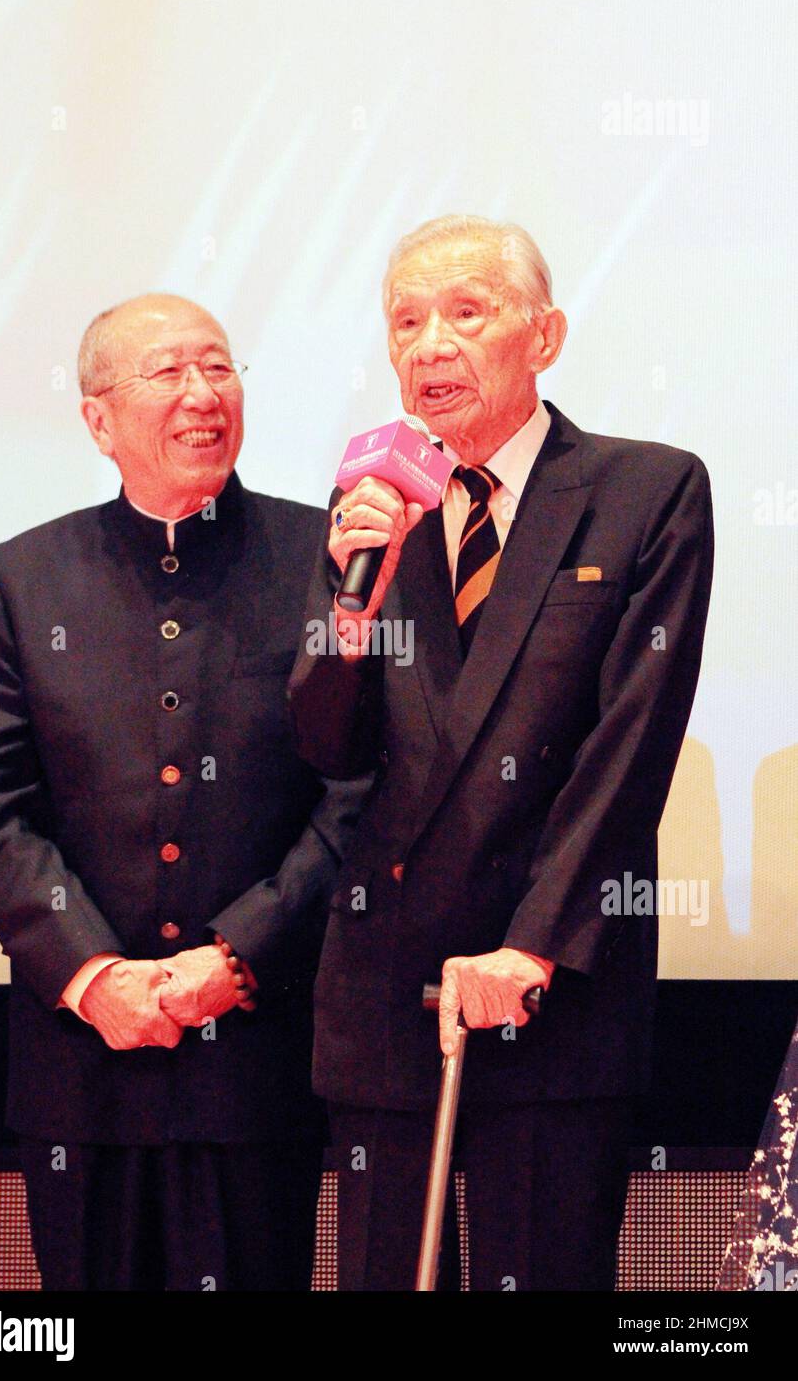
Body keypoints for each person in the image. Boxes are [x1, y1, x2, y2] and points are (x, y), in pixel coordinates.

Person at [288, 215, 714, 1291]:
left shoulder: (643, 493)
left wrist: (530, 947)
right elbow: (330, 749)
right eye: (405, 321)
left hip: (549, 978)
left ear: (544, 335)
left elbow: (629, 746)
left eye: (464, 313)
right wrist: (348, 619)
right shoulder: (369, 505)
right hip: (387, 991)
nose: (429, 344)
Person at [0, 293, 368, 1291]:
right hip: (79, 1071)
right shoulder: (24, 578)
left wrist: (239, 954)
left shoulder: (324, 560)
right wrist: (92, 973)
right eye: (166, 372)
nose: (200, 394)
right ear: (97, 418)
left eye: (217, 367)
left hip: (256, 1062)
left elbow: (357, 789)